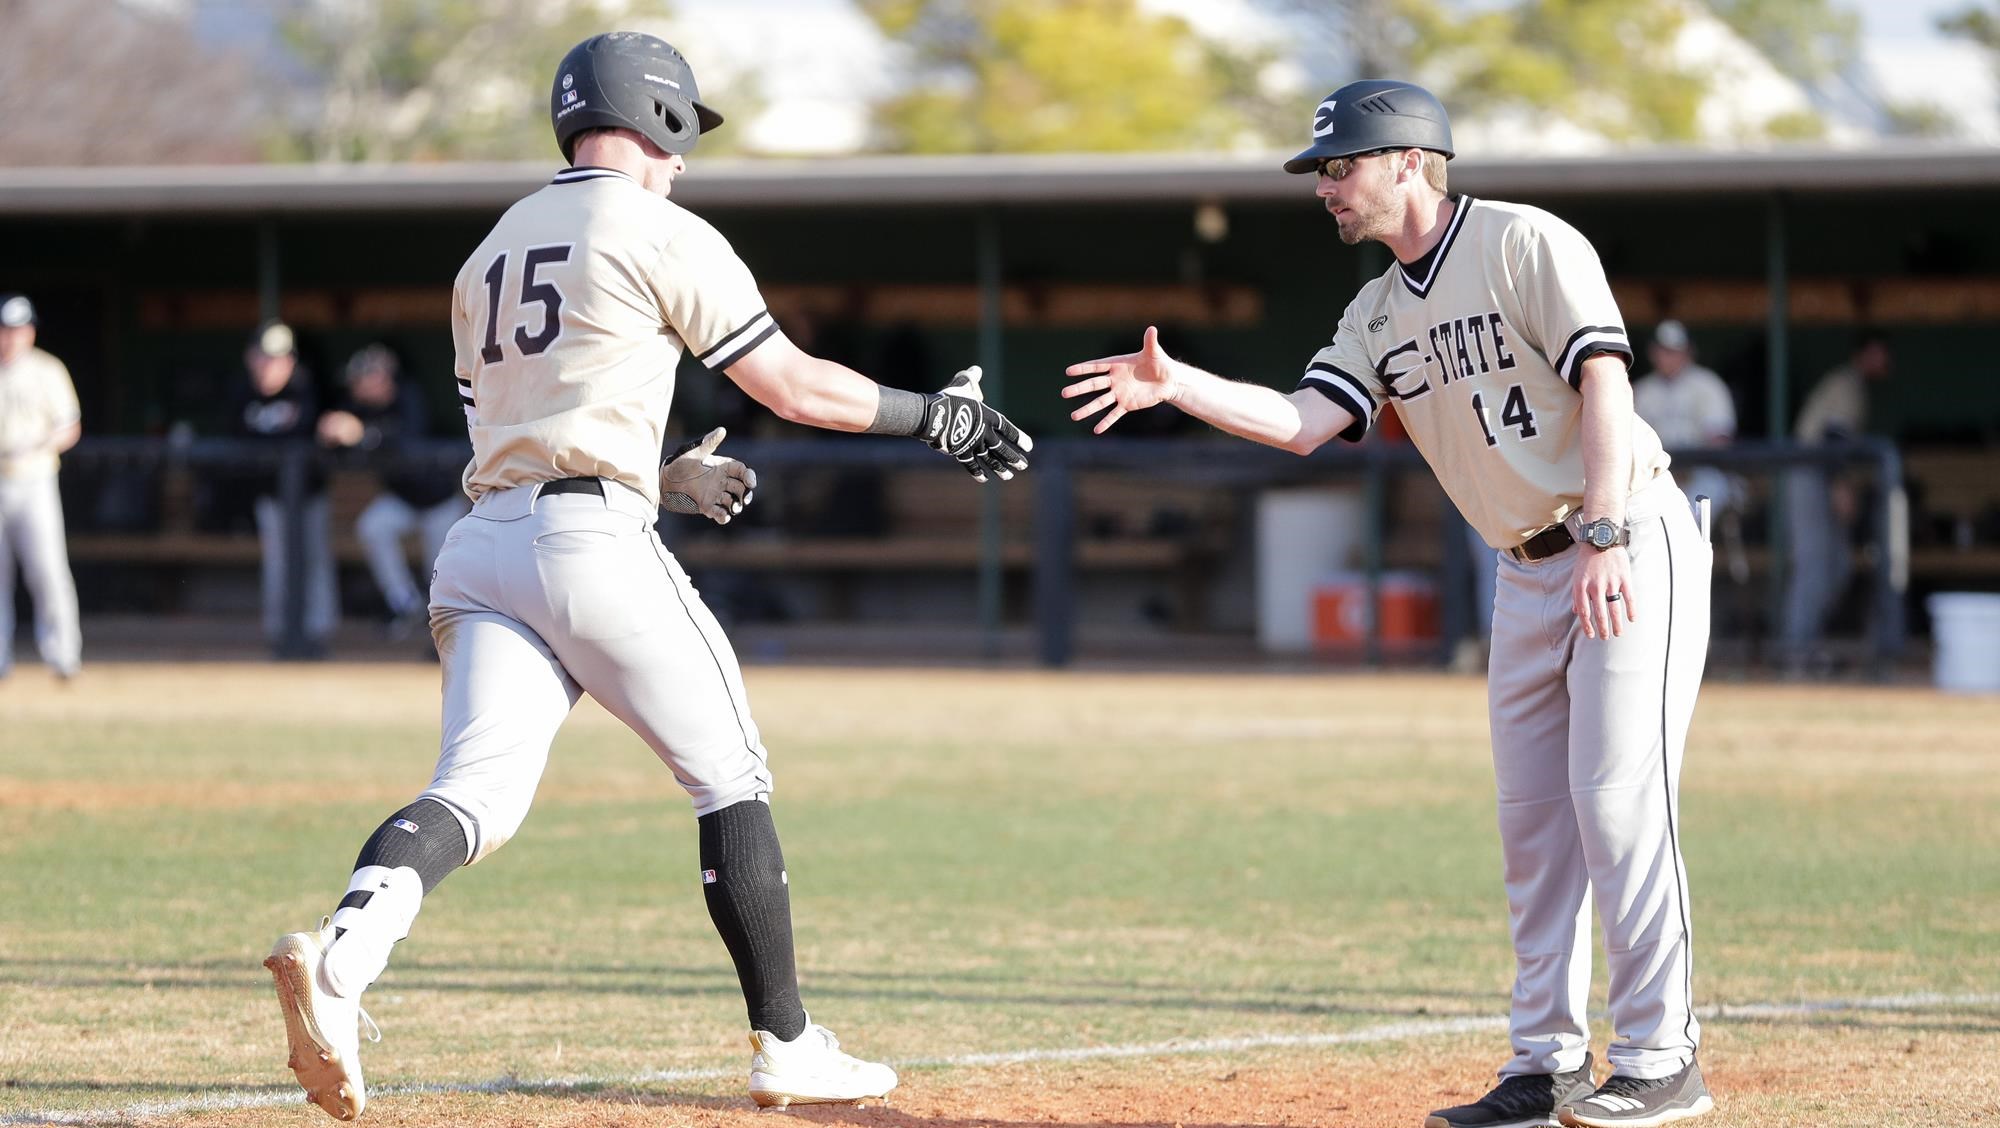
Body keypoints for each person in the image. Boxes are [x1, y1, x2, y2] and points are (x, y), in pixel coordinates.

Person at [263, 31, 1031, 1122]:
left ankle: (343, 955)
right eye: (681, 134)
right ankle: (787, 1044)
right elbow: (794, 387)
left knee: (473, 793)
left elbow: (516, 432)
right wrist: (935, 417)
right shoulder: (660, 227)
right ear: (655, 117)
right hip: (590, 543)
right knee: (730, 775)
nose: (681, 159)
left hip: (482, 546)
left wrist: (657, 476)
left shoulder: (488, 252)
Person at [1063, 80, 1713, 1128]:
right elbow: (1300, 422)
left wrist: (1600, 532)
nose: (1325, 186)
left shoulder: (1522, 241)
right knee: (1532, 826)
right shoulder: (1374, 310)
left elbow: (1604, 381)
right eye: (1321, 171)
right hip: (1521, 566)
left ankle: (1660, 1056)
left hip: (1625, 535)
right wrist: (1176, 383)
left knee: (1616, 800)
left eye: (1340, 165)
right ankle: (1544, 1062)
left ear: (1409, 160)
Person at [318, 344, 468, 640]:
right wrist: (329, 430)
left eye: (362, 379)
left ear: (381, 378)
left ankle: (445, 631)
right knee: (373, 526)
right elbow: (341, 436)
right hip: (403, 501)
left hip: (439, 502)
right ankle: (405, 603)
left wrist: (363, 434)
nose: (355, 386)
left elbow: (406, 439)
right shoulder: (359, 407)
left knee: (439, 573)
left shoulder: (409, 396)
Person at [1779, 330, 1893, 670]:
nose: (1884, 361)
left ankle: (1806, 643)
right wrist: (1840, 486)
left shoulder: (1855, 385)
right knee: (1815, 564)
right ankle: (1795, 650)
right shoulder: (1846, 383)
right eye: (1878, 353)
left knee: (1838, 565)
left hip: (1820, 475)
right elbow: (1833, 437)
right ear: (1864, 354)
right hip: (1810, 472)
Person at [232, 320, 339, 657]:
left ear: (290, 360)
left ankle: (318, 633)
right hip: (271, 496)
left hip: (310, 494)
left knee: (315, 560)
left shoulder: (307, 387)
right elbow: (237, 436)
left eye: (278, 358)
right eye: (263, 357)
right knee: (278, 564)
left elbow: (312, 430)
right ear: (251, 358)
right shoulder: (242, 392)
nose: (270, 365)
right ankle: (280, 633)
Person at [0, 293, 83, 680]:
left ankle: (63, 656)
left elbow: (70, 426)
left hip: (35, 478)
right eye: (5, 329)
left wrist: (38, 445)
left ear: (30, 331)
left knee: (48, 571)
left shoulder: (48, 370)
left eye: (18, 329)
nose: (11, 337)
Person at [1631, 320, 1736, 516]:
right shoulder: (1642, 391)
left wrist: (1688, 465)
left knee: (1708, 490)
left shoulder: (1708, 385)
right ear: (1653, 353)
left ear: (1688, 352)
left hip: (1700, 471)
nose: (1669, 357)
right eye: (1664, 351)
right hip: (1655, 474)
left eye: (1675, 351)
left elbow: (1719, 441)